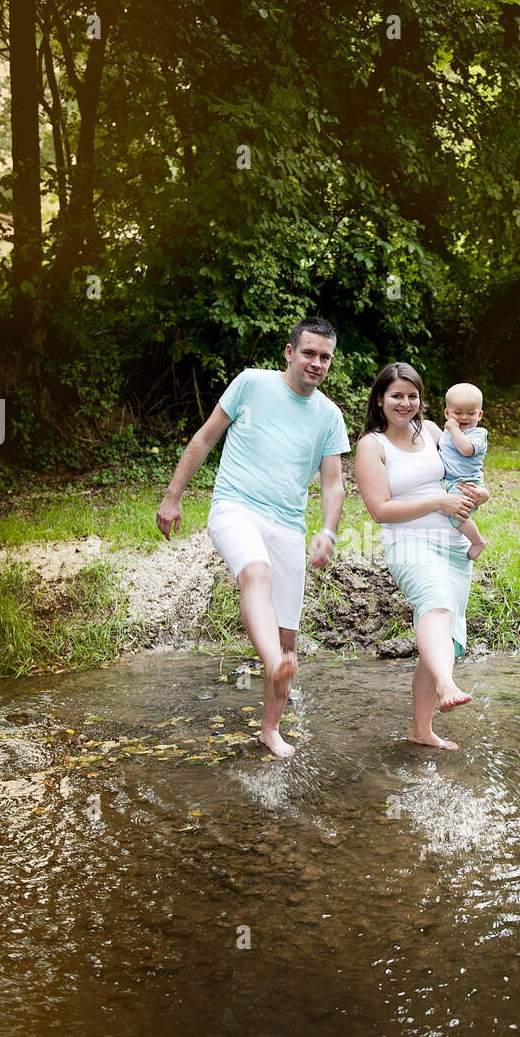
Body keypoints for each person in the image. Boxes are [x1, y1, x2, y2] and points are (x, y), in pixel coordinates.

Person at [156, 317, 350, 758]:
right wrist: (173, 498)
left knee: (288, 636)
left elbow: (334, 484)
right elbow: (205, 438)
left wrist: (327, 530)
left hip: (288, 525)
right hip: (235, 508)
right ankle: (275, 664)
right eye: (309, 353)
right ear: (289, 352)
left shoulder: (330, 416)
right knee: (256, 574)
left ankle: (270, 729)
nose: (316, 363)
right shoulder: (251, 384)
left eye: (325, 357)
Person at [354, 362, 489, 752]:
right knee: (437, 606)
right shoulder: (371, 445)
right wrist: (437, 501)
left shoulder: (431, 431)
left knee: (447, 631)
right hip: (408, 543)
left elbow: (464, 471)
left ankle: (421, 729)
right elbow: (380, 509)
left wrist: (480, 493)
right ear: (380, 399)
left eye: (412, 396)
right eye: (397, 395)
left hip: (452, 543)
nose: (405, 403)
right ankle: (447, 685)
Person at [438, 382, 488, 560]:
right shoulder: (446, 434)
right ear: (447, 413)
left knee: (456, 516)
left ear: (479, 415)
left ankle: (477, 541)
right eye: (458, 413)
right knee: (450, 514)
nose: (464, 417)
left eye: (471, 413)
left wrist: (453, 428)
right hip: (452, 482)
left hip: (468, 483)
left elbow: (465, 449)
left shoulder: (478, 434)